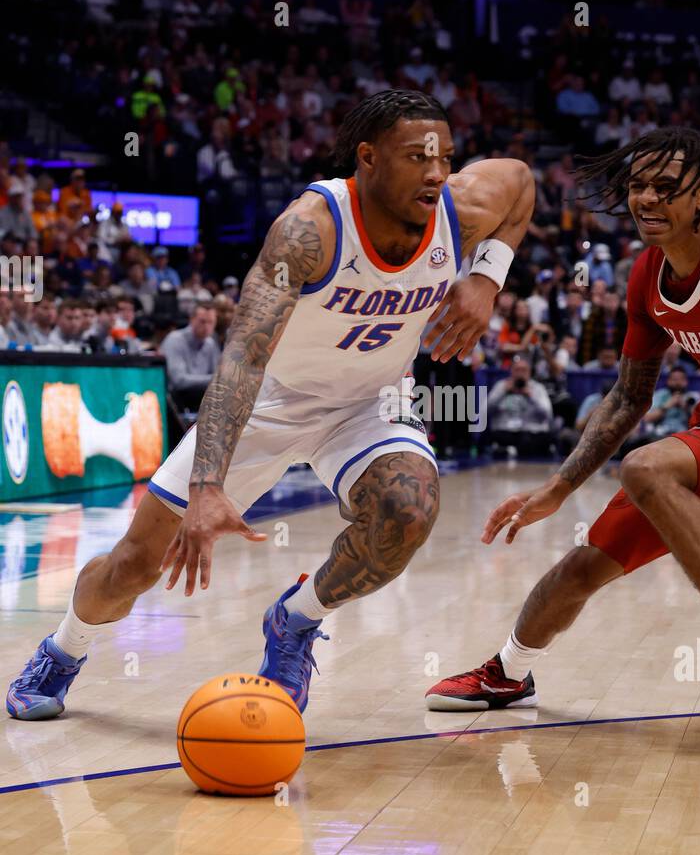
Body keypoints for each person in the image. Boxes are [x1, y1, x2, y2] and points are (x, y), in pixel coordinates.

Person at [7, 90, 533, 721]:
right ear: (367, 158)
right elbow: (242, 359)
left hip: (370, 401)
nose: (437, 172)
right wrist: (206, 487)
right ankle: (65, 649)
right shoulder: (310, 230)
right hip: (269, 399)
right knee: (135, 566)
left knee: (408, 509)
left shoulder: (461, 211)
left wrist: (486, 277)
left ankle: (295, 621)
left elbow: (522, 182)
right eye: (417, 157)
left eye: (445, 157)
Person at [426, 126, 700, 720]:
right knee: (584, 564)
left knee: (646, 467)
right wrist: (559, 488)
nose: (647, 199)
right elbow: (629, 396)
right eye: (638, 186)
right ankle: (509, 674)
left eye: (665, 186)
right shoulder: (645, 275)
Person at [160, 302, 220, 414]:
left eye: (211, 322)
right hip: (175, 402)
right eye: (202, 321)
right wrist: (215, 379)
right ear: (192, 319)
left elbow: (218, 375)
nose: (207, 326)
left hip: (200, 399)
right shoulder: (175, 340)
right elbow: (178, 381)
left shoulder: (210, 344)